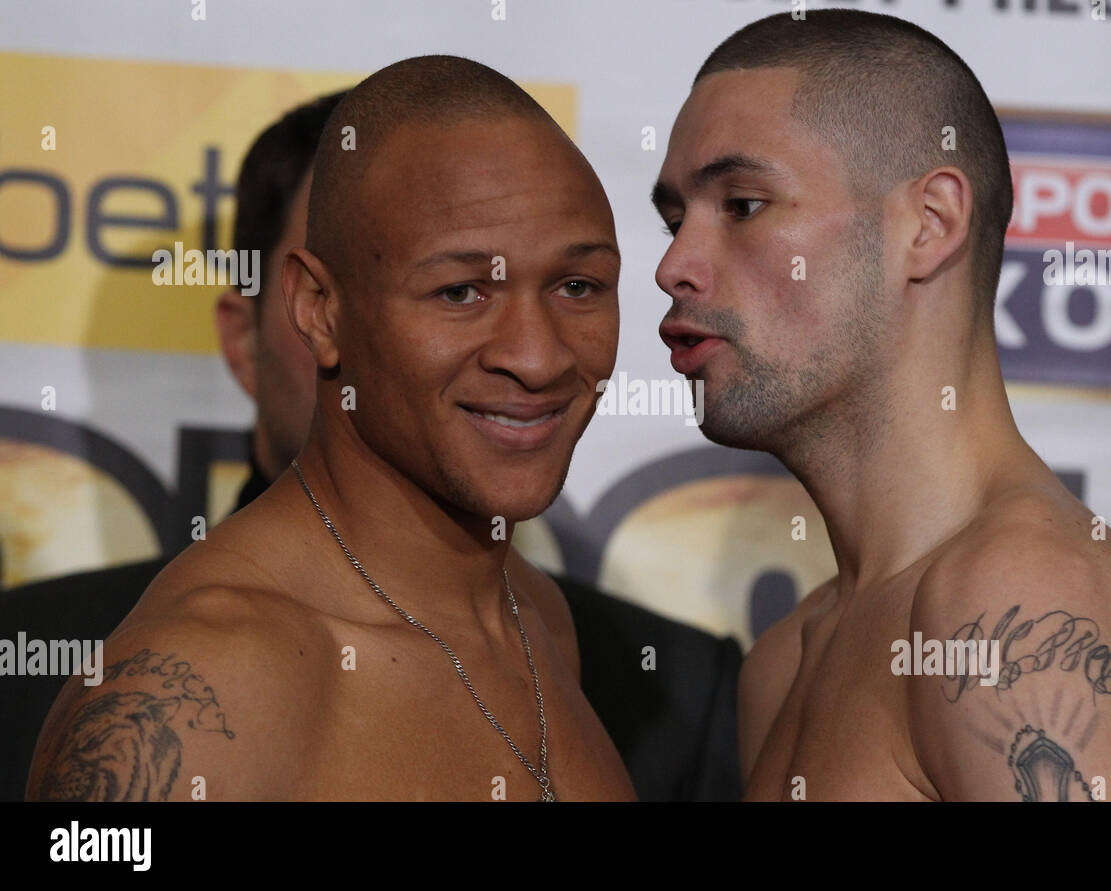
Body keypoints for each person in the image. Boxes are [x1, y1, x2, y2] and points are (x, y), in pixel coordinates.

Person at [24, 56, 695, 801]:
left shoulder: (539, 624)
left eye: (578, 286)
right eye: (461, 291)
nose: (537, 358)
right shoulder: (196, 690)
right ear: (318, 307)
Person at [650, 10, 1111, 801]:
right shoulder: (788, 658)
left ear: (929, 226)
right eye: (673, 217)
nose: (674, 264)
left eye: (742, 205)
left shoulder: (1021, 608)